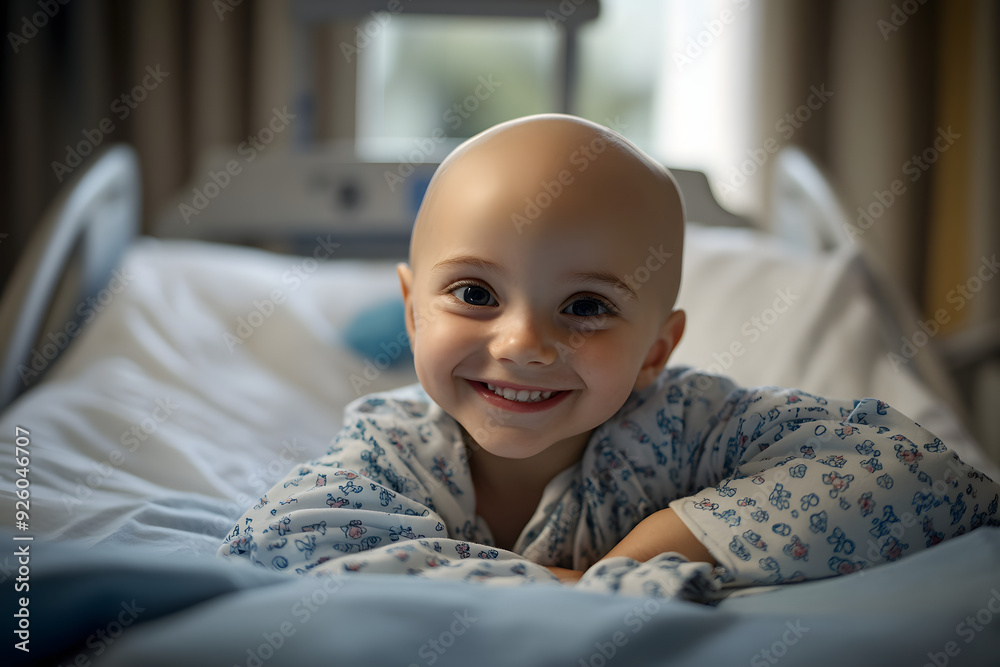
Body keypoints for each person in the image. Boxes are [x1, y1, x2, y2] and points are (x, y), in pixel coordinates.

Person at [218, 114, 999, 599]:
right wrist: (550, 587)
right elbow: (277, 542)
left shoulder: (688, 428)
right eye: (475, 294)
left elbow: (920, 470)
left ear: (658, 349)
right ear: (412, 312)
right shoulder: (391, 447)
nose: (523, 343)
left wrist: (656, 546)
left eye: (587, 307)